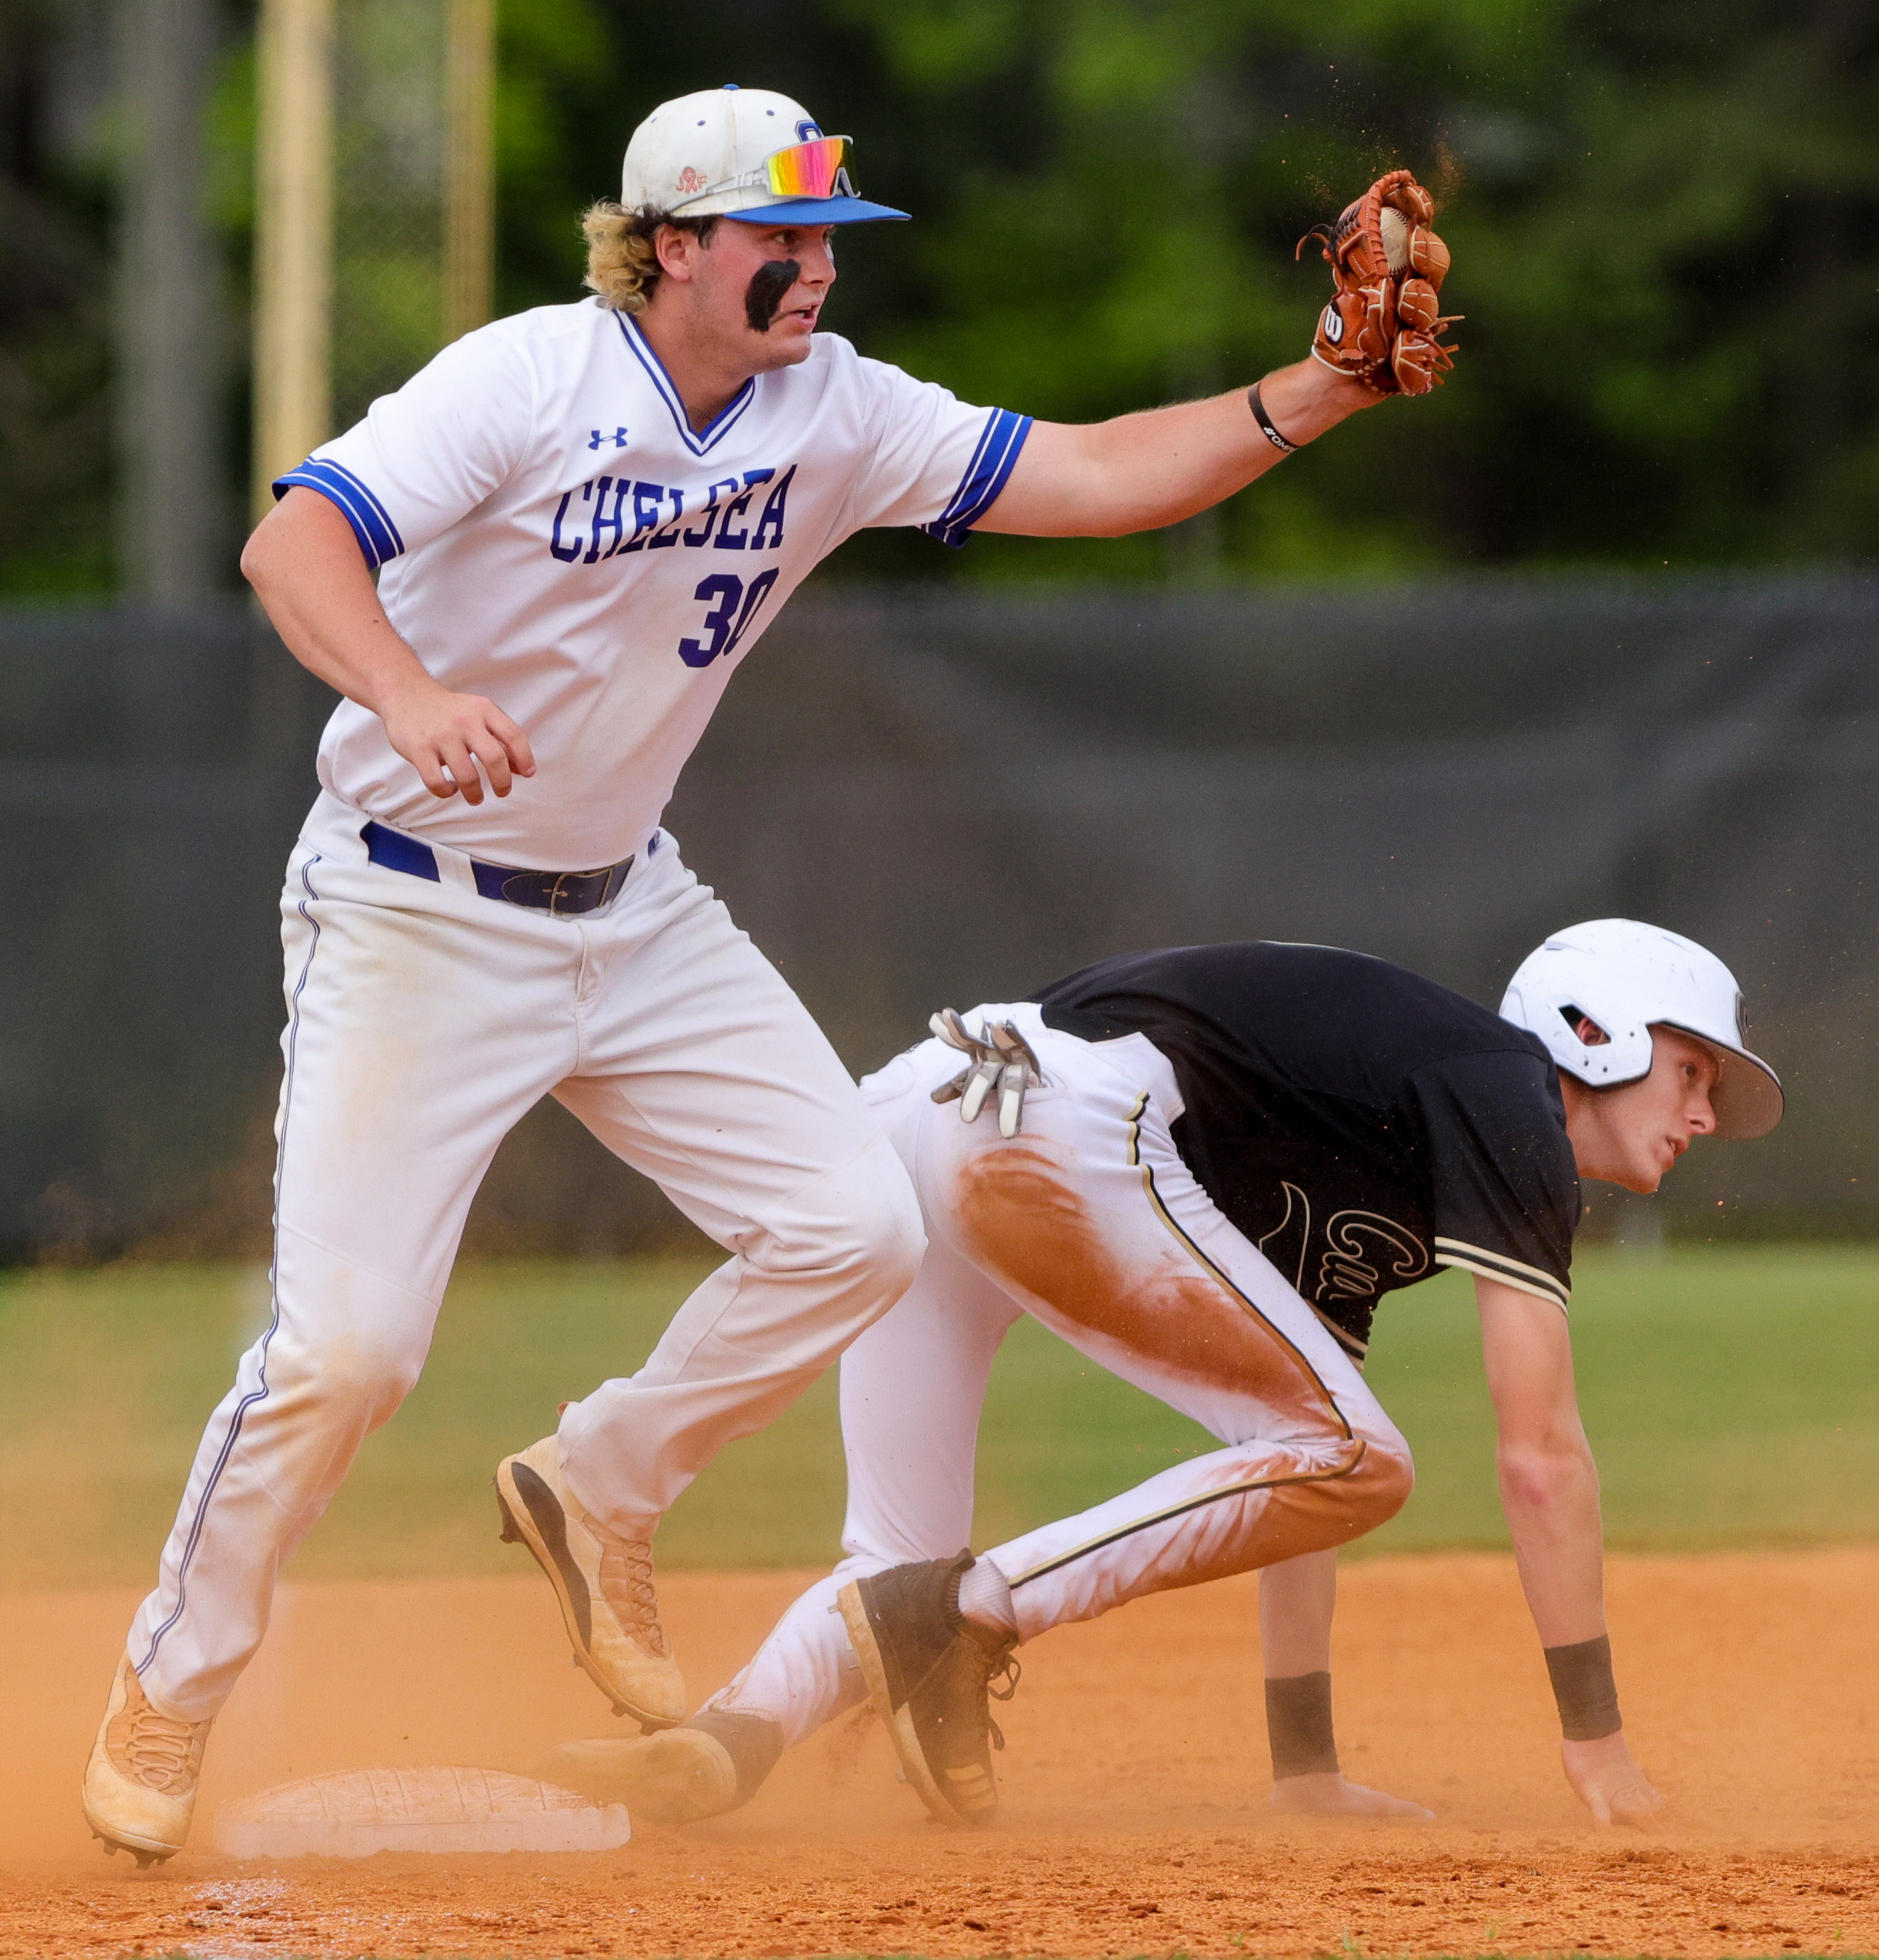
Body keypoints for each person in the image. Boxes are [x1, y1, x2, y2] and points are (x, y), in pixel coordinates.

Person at [78, 84, 1424, 1866]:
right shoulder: (528, 378)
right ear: (670, 247)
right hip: (415, 910)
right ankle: (170, 1682)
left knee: (854, 1227)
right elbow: (292, 542)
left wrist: (1318, 384)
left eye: (829, 234)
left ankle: (597, 1481)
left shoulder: (832, 408)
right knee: (347, 1351)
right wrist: (405, 692)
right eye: (781, 234)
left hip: (632, 910)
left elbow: (1096, 473)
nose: (817, 264)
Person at [546, 921, 1782, 1832]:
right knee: (1365, 1460)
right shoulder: (1510, 1098)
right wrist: (1597, 1739)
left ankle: (733, 1737)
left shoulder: (1390, 1133)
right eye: (1692, 1072)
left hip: (935, 1101)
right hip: (1051, 1114)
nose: (1704, 1115)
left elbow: (1291, 1473)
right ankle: (968, 1608)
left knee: (907, 1554)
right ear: (1593, 1035)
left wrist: (1305, 1767)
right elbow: (1541, 1457)